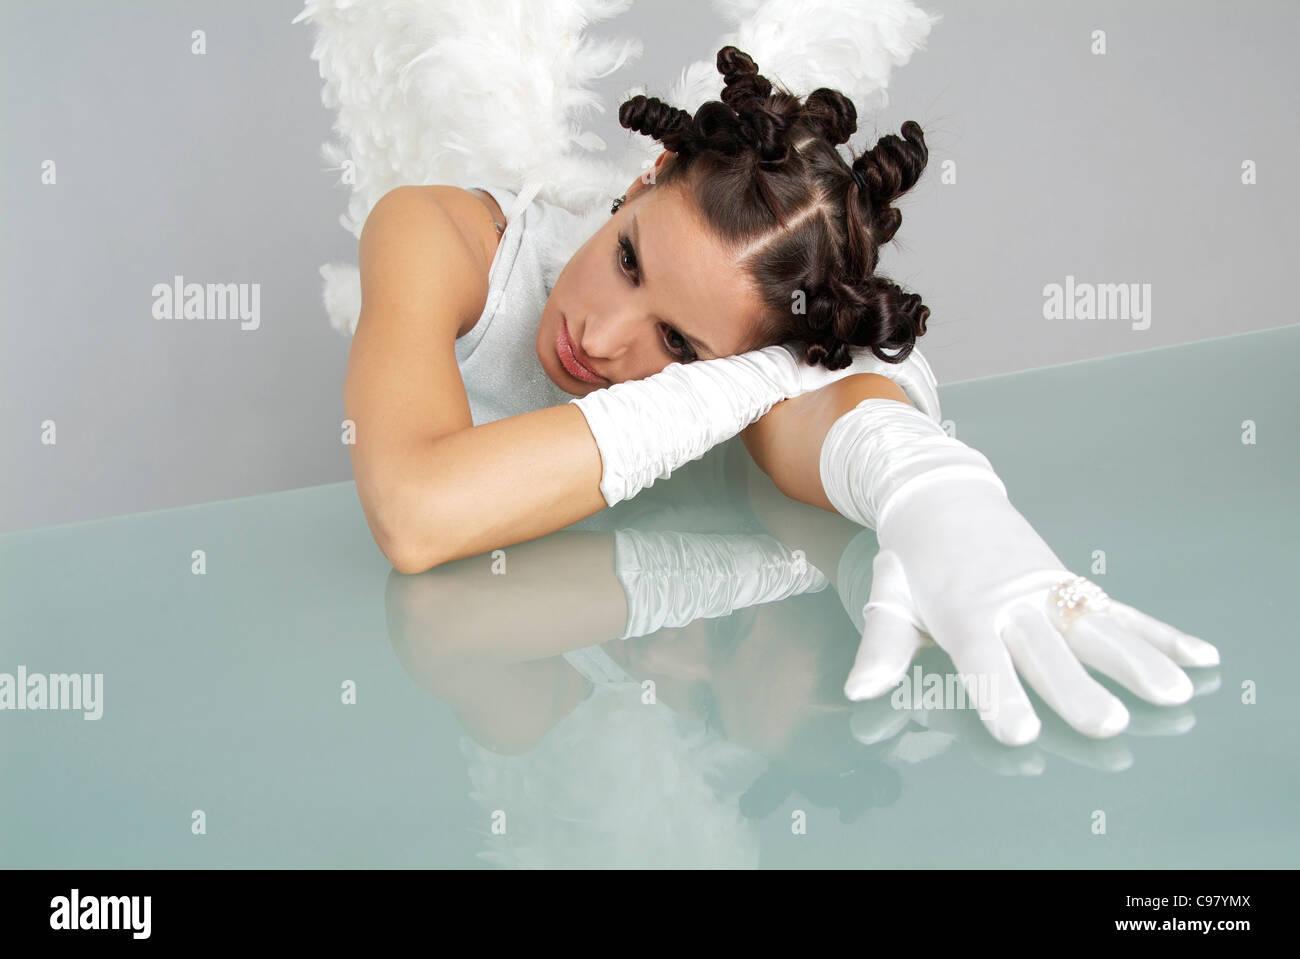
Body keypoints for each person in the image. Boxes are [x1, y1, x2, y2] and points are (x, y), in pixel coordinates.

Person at [346, 46, 1220, 745]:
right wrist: (746, 375)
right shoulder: (442, 235)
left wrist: (932, 488)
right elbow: (417, 513)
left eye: (680, 345)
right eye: (628, 260)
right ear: (650, 174)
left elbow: (846, 402)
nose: (604, 339)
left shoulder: (576, 706)